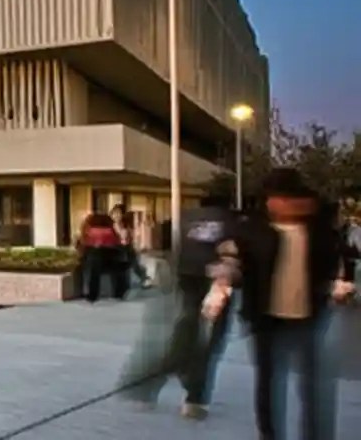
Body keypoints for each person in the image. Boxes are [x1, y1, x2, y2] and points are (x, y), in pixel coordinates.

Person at [206, 168, 356, 440]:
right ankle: (269, 434)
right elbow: (233, 257)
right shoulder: (254, 228)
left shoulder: (319, 230)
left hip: (309, 317)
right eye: (272, 198)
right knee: (269, 383)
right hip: (266, 319)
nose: (277, 204)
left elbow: (338, 260)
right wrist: (223, 280)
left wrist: (340, 283)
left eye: (284, 198)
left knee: (313, 385)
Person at [127, 192, 237, 419]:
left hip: (189, 282)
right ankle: (194, 399)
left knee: (184, 336)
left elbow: (174, 251)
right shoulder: (230, 222)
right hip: (218, 287)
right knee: (209, 344)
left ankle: (151, 385)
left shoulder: (188, 219)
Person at [81, 213, 126, 302]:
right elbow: (118, 243)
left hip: (94, 263)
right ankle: (119, 293)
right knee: (119, 268)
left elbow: (84, 246)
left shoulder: (90, 231)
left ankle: (92, 295)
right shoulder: (110, 231)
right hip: (111, 262)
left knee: (91, 267)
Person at [111, 204, 153, 289]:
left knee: (133, 262)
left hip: (126, 248)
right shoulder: (110, 226)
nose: (117, 216)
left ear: (122, 215)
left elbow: (130, 237)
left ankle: (144, 279)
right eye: (115, 213)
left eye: (119, 213)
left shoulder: (125, 225)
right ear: (112, 215)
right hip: (116, 249)